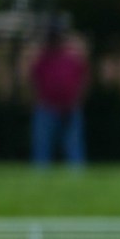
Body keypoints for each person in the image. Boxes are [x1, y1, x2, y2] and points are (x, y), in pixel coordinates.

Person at [28, 19, 87, 169]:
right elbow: (34, 82)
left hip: (70, 109)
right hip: (46, 108)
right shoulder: (42, 58)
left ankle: (77, 176)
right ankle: (40, 176)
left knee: (73, 147)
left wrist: (75, 101)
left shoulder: (72, 58)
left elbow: (83, 81)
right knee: (42, 148)